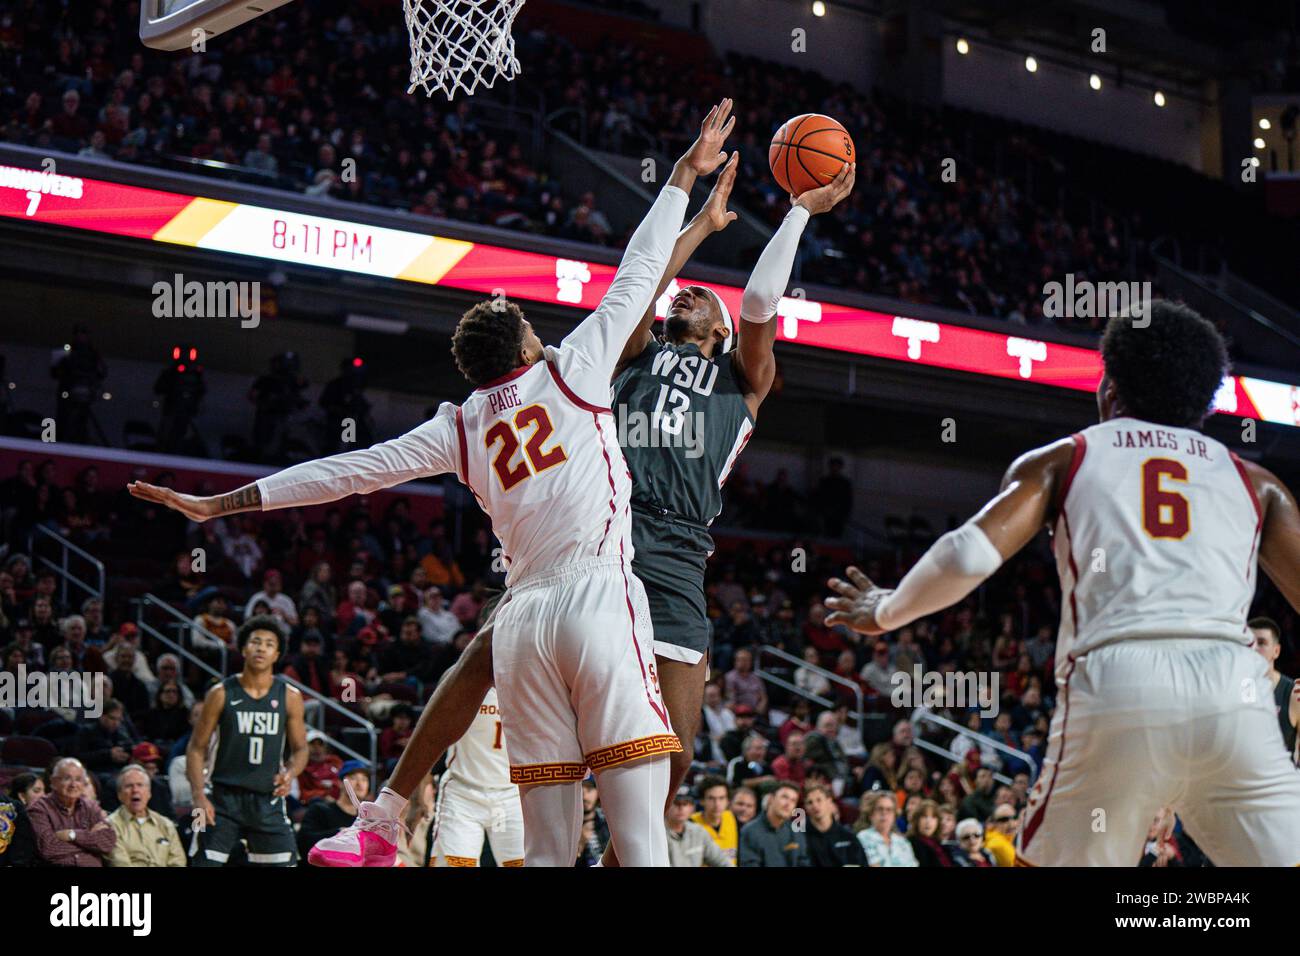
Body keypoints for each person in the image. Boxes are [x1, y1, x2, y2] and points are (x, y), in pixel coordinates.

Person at [129, 105, 736, 867]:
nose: (526, 316)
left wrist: (226, 501)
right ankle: (386, 819)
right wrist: (684, 173)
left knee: (548, 854)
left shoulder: (456, 425)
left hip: (520, 627)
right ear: (522, 344)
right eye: (517, 315)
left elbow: (346, 473)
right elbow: (643, 265)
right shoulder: (572, 369)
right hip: (594, 602)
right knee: (642, 841)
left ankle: (383, 819)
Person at [826, 301, 1300, 866]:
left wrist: (885, 609)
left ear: (1109, 391)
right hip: (1233, 696)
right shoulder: (1258, 483)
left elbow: (969, 553)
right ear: (1206, 405)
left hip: (1119, 683)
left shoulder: (1065, 459)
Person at [185, 616, 308, 866]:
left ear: (277, 654)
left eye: (269, 644)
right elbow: (196, 748)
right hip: (220, 797)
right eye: (255, 642)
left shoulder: (290, 696)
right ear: (243, 649)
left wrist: (291, 772)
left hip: (268, 800)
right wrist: (198, 794)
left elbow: (301, 748)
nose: (261, 647)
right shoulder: (220, 693)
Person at [28, 758, 116, 867]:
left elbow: (107, 843)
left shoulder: (91, 807)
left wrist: (72, 835)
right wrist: (90, 841)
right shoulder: (39, 808)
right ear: (53, 782)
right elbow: (48, 848)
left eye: (78, 779)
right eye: (67, 778)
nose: (73, 784)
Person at [106, 764, 186, 867]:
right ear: (119, 795)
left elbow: (178, 862)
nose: (135, 790)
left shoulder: (166, 824)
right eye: (129, 786)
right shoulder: (111, 825)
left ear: (149, 793)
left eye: (140, 785)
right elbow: (120, 863)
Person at [298, 761, 370, 863]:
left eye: (364, 779)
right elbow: (304, 842)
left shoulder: (368, 819)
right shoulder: (320, 810)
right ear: (340, 783)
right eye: (353, 778)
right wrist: (340, 833)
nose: (360, 783)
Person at [1249, 616, 1298, 763]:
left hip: (1280, 783)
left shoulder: (1293, 693)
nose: (1254, 649)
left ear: (1276, 651)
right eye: (1249, 644)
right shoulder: (1232, 690)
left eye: (1262, 643)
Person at [737, 781, 807, 867]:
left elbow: (803, 862)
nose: (788, 804)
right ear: (771, 799)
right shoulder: (750, 831)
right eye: (784, 797)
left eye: (793, 800)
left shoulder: (796, 831)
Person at [803, 783, 865, 867]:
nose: (815, 805)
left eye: (819, 800)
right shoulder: (801, 838)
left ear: (829, 801)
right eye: (810, 802)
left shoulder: (848, 837)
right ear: (805, 807)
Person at [665, 787, 730, 867]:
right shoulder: (657, 834)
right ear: (665, 806)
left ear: (692, 808)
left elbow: (721, 860)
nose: (681, 808)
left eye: (685, 804)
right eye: (675, 803)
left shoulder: (698, 831)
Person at [856, 792, 918, 867]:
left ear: (894, 815)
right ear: (871, 814)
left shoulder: (903, 842)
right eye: (880, 809)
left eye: (889, 810)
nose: (884, 813)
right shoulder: (862, 838)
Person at [690, 775, 738, 865]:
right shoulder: (691, 824)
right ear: (702, 800)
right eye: (711, 798)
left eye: (721, 798)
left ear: (728, 801)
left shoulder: (731, 818)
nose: (717, 804)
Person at [908, 799, 952, 867]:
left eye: (933, 817)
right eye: (924, 816)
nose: (928, 821)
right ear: (917, 820)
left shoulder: (941, 845)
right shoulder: (912, 843)